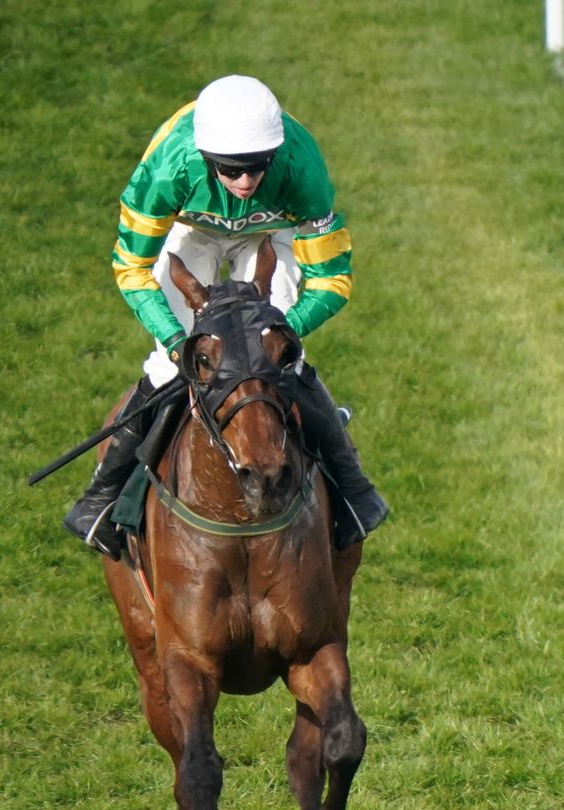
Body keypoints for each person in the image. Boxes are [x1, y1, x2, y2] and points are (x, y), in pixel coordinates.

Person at [64, 74, 387, 557]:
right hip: (191, 235)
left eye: (257, 168)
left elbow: (332, 280)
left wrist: (280, 335)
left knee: (282, 364)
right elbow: (131, 267)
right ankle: (100, 500)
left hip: (271, 237)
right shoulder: (166, 169)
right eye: (231, 170)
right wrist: (176, 341)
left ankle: (353, 491)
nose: (245, 182)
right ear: (205, 157)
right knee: (174, 364)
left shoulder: (303, 168)